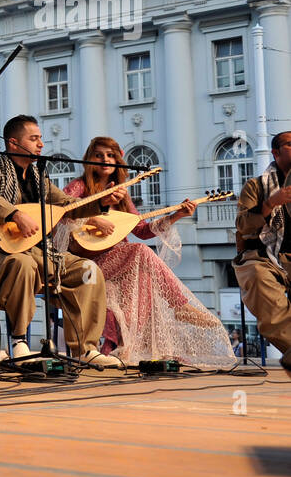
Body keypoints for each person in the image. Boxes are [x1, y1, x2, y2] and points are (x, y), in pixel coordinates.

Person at [64, 136, 233, 368]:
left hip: (120, 263)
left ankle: (122, 348)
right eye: (99, 155)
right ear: (89, 160)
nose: (105, 159)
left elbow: (142, 229)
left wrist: (177, 215)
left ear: (118, 160)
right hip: (86, 264)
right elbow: (62, 211)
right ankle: (178, 305)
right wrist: (94, 217)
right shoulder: (78, 186)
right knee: (140, 252)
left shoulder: (122, 194)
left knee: (142, 276)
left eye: (111, 155)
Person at [0, 114, 116, 367]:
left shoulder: (40, 178)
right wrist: (15, 215)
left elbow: (67, 205)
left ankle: (85, 349)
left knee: (89, 271)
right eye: (34, 138)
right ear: (14, 143)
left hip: (44, 254)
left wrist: (100, 204)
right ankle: (18, 341)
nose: (41, 144)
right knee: (23, 265)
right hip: (3, 256)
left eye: (40, 138)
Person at [234, 131, 291, 373]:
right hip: (262, 256)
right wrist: (270, 203)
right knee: (259, 277)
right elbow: (242, 225)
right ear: (276, 153)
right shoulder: (256, 186)